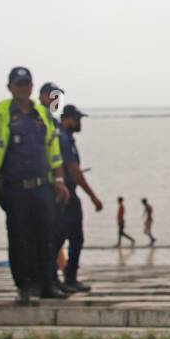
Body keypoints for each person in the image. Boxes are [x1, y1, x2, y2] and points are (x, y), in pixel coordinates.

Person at [0, 67, 69, 304]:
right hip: (14, 186)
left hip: (42, 185)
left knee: (46, 235)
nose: (23, 88)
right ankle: (25, 286)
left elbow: (53, 151)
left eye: (27, 84)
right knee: (19, 237)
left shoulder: (41, 113)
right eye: (18, 84)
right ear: (10, 87)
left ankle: (47, 283)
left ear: (32, 86)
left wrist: (59, 181)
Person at [54, 104, 103, 293]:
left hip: (62, 192)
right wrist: (93, 197)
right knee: (71, 237)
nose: (79, 123)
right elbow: (74, 171)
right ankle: (68, 277)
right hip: (66, 193)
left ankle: (59, 275)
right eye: (77, 119)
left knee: (63, 236)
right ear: (67, 119)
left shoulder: (62, 137)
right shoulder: (64, 139)